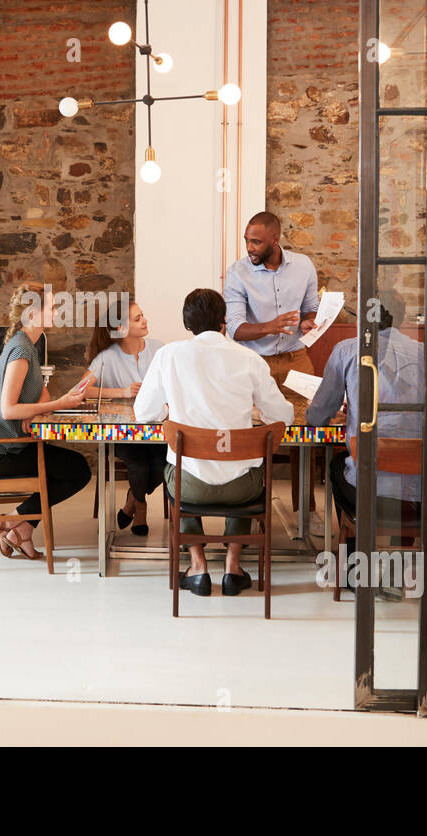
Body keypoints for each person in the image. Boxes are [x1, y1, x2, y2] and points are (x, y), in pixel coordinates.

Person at [133, 288, 296, 597]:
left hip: (190, 486)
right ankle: (233, 567)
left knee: (180, 466)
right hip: (242, 488)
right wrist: (256, 412)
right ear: (224, 321)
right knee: (244, 466)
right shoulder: (249, 359)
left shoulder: (168, 355)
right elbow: (283, 416)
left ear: (187, 323)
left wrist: (169, 411)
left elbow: (143, 414)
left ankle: (198, 566)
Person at [305, 290, 427, 596]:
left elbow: (317, 416)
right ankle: (394, 571)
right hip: (421, 492)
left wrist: (346, 410)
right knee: (402, 467)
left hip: (371, 489)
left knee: (339, 466)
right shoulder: (423, 352)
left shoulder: (348, 350)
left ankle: (356, 567)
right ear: (401, 319)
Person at [0, 282, 93, 561]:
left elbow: (40, 392)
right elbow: (8, 409)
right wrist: (60, 404)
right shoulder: (21, 349)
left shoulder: (28, 345)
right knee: (77, 469)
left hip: (6, 447)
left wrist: (34, 411)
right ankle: (13, 521)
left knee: (72, 467)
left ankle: (21, 528)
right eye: (51, 307)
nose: (56, 312)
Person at [223, 210, 321, 513]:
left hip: (297, 360)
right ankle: (252, 511)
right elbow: (235, 329)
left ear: (275, 240)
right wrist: (271, 326)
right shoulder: (237, 273)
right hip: (254, 363)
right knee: (252, 432)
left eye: (256, 242)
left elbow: (311, 308)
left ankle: (305, 511)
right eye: (247, 241)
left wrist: (309, 322)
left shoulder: (303, 266)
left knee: (306, 433)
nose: (249, 248)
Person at [84, 299, 167, 536]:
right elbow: (83, 390)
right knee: (139, 466)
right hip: (123, 432)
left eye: (143, 315)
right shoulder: (107, 357)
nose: (145, 320)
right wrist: (122, 392)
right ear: (121, 328)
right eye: (138, 318)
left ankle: (132, 500)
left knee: (163, 464)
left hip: (157, 429)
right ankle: (140, 510)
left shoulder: (159, 349)